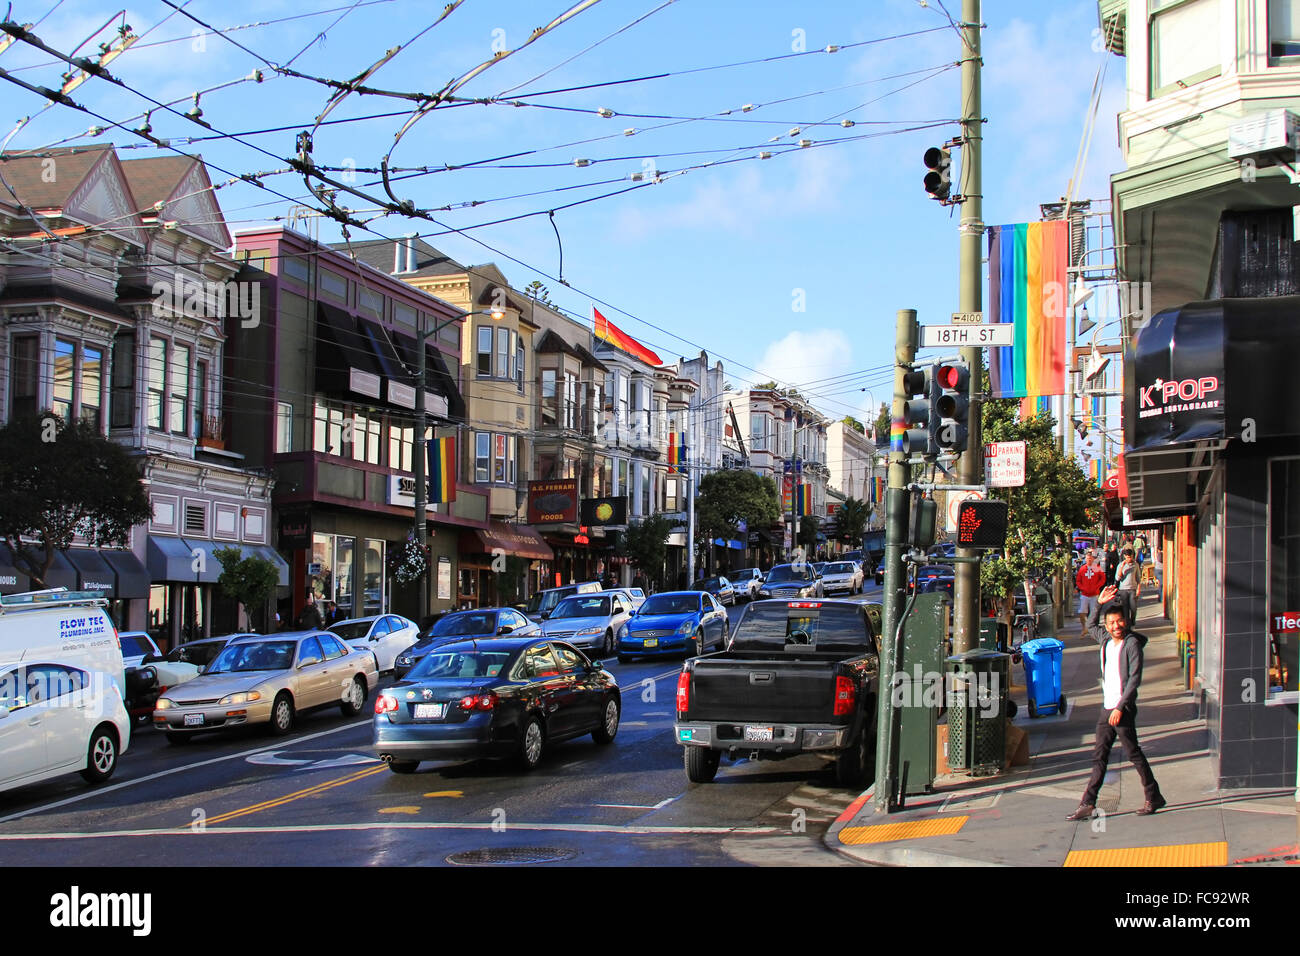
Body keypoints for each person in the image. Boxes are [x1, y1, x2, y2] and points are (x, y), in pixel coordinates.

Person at [1066, 586, 1166, 819]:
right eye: (1110, 623)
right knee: (1099, 755)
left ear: (1126, 621)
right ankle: (1088, 803)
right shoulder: (1106, 641)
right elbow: (1091, 626)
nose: (1115, 626)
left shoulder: (1131, 644)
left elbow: (1135, 678)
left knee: (1133, 753)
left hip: (1122, 708)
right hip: (1107, 708)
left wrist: (1121, 707)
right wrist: (1099, 603)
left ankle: (1153, 796)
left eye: (1119, 622)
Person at [1074, 549, 1105, 636]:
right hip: (1084, 594)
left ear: (1093, 559)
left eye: (1090, 558)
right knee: (1082, 612)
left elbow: (1102, 579)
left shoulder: (1097, 568)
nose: (1089, 560)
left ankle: (1094, 629)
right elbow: (1078, 581)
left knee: (1094, 612)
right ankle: (1084, 627)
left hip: (1094, 594)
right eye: (1087, 559)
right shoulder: (1082, 569)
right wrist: (1082, 588)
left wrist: (1097, 586)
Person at [1115, 547, 1140, 626]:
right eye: (1127, 557)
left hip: (1132, 588)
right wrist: (1122, 567)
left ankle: (1132, 621)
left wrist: (1139, 588)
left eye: (1130, 556)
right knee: (1125, 608)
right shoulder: (1120, 565)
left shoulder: (1135, 565)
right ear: (1125, 556)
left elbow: (1138, 578)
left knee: (1133, 607)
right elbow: (1118, 578)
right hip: (1123, 589)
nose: (1129, 558)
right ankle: (1127, 624)